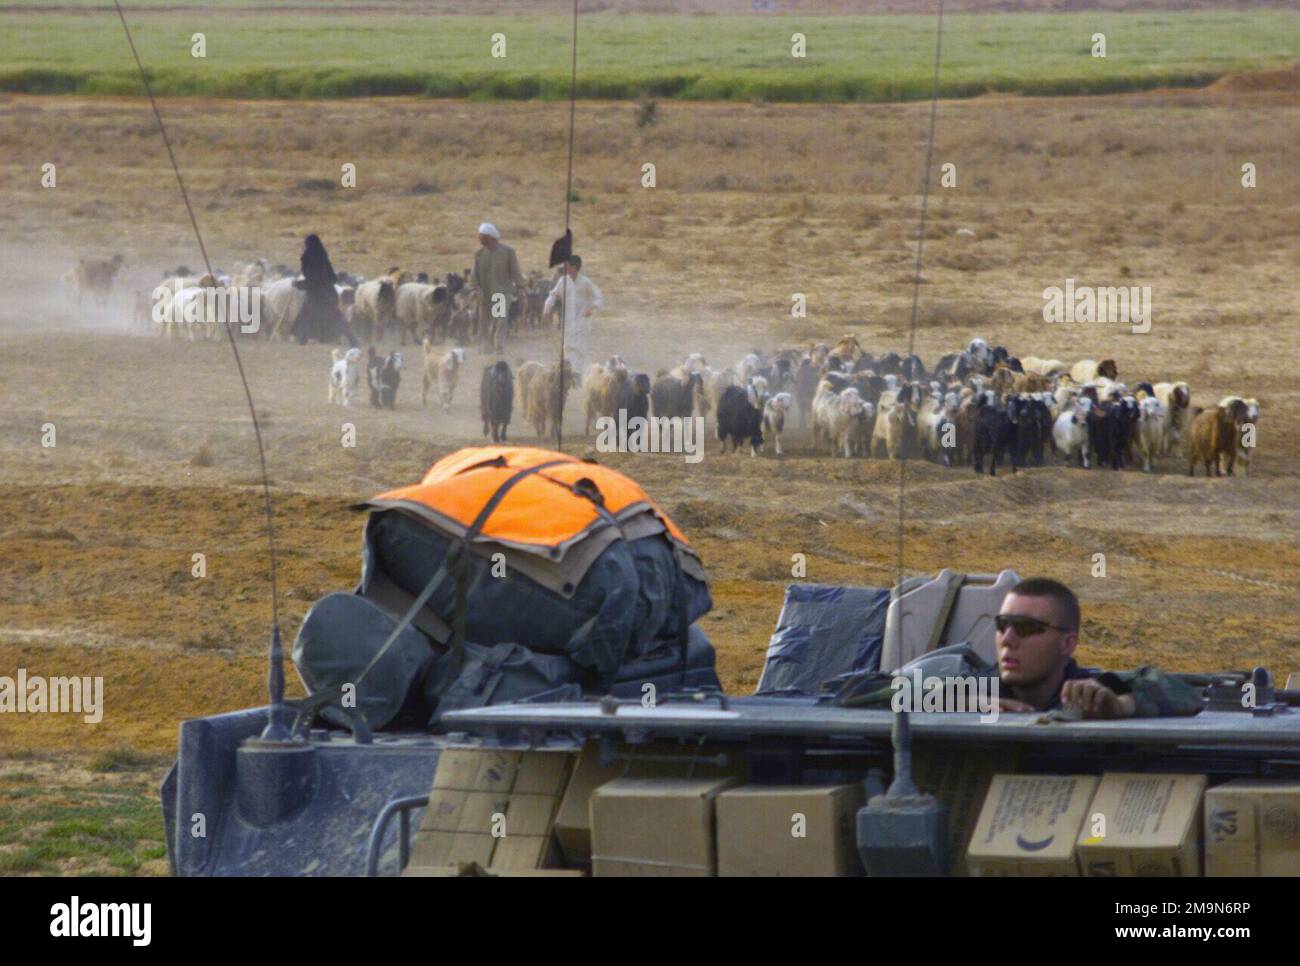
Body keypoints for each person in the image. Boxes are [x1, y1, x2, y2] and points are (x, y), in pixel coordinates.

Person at [995, 577, 1201, 718]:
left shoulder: (1087, 693)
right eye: (1002, 625)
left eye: (1026, 628)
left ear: (1067, 644)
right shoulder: (975, 685)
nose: (1007, 639)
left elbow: (1186, 696)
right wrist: (967, 701)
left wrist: (1120, 706)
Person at [291, 234, 357, 347]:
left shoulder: (308, 258)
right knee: (335, 317)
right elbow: (332, 277)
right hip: (329, 294)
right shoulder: (323, 256)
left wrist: (297, 284)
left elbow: (312, 281)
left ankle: (302, 340)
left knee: (305, 315)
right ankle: (352, 340)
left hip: (316, 296)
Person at [543, 254, 604, 376]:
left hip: (582, 322)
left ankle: (578, 376)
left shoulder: (586, 282)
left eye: (567, 266)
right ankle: (568, 376)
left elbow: (599, 298)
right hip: (567, 322)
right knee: (567, 348)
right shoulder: (563, 281)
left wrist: (591, 308)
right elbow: (553, 295)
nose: (564, 268)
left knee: (580, 350)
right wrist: (547, 309)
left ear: (574, 267)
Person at [470, 222, 526, 354]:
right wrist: (474, 289)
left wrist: (521, 288)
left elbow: (515, 272)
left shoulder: (508, 252)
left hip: (501, 292)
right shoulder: (479, 254)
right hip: (484, 294)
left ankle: (498, 345)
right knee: (484, 322)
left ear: (490, 237)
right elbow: (474, 275)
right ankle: (484, 346)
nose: (479, 238)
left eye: (482, 236)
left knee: (500, 319)